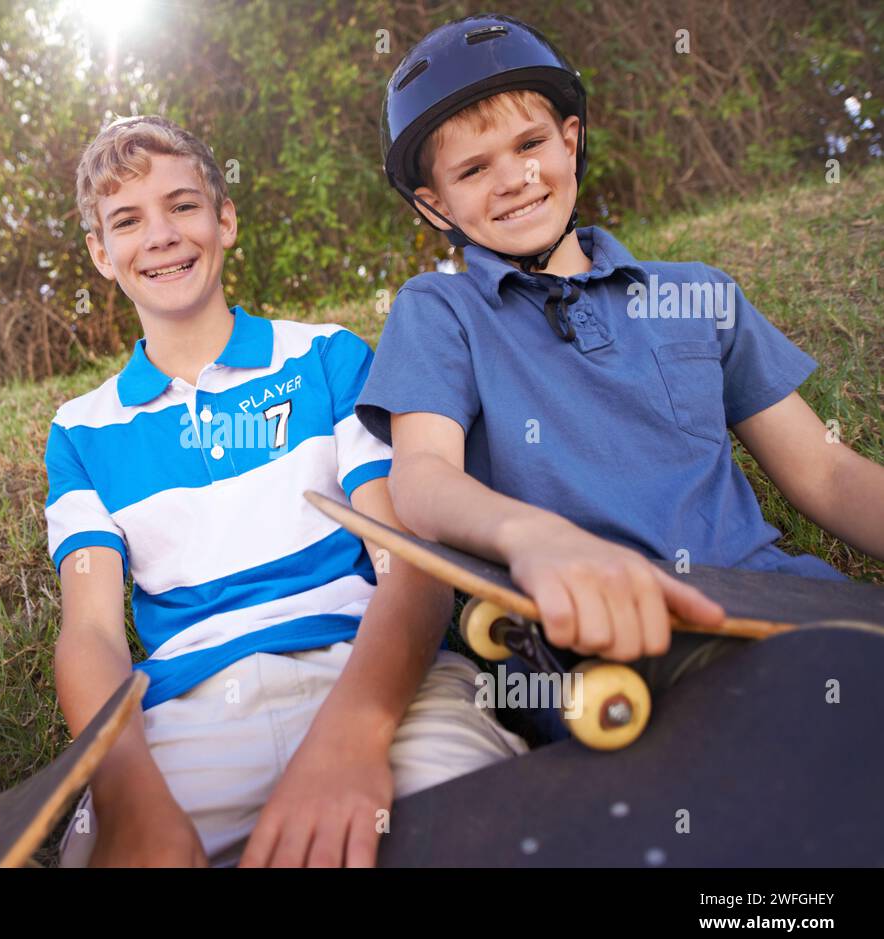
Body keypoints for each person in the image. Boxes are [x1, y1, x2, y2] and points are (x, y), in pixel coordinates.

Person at [356, 14, 884, 723]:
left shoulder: (698, 292)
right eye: (473, 169)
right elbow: (421, 479)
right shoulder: (439, 310)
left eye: (531, 144)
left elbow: (826, 471)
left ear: (570, 143)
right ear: (433, 202)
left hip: (776, 600)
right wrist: (535, 538)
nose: (514, 179)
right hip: (599, 648)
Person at [46, 115, 526, 867]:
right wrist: (127, 790)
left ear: (225, 219)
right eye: (128, 221)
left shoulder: (327, 357)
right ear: (101, 255)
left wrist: (354, 735)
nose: (163, 234)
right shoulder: (81, 431)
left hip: (375, 675)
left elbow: (411, 564)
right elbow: (92, 635)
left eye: (183, 205)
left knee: (478, 837)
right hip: (184, 717)